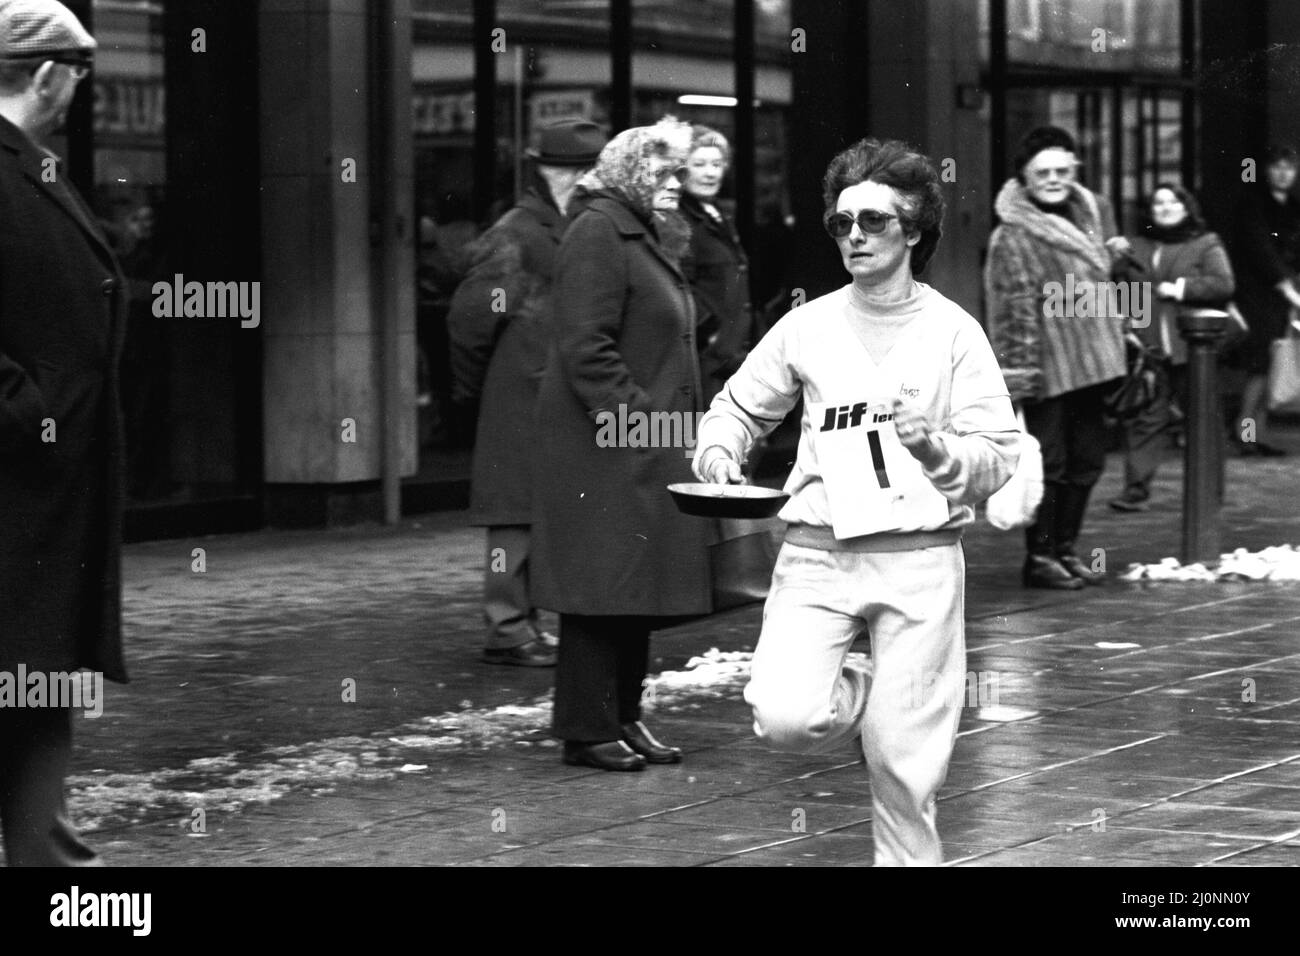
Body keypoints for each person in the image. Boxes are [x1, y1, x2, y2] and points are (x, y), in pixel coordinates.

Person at [693, 138, 1020, 865]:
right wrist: (720, 448)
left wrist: (936, 450)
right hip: (816, 557)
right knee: (784, 718)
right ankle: (871, 689)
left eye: (873, 221)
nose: (855, 237)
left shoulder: (954, 334)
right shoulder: (808, 324)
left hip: (919, 563)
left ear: (913, 231)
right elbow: (737, 407)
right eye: (842, 224)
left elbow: (998, 457)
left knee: (907, 768)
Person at [530, 117, 709, 772]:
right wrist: (640, 422)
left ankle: (624, 716)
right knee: (601, 589)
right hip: (606, 448)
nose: (674, 184)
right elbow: (586, 347)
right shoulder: (599, 230)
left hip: (639, 446)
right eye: (663, 172)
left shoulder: (638, 232)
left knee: (634, 587)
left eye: (679, 173)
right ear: (633, 172)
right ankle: (586, 728)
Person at [0, 0, 127, 866]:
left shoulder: (27, 165)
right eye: (76, 75)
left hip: (41, 496)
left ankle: (48, 857)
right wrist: (37, 412)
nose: (79, 92)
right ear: (48, 75)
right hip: (17, 486)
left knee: (37, 684)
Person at [446, 118, 607, 667]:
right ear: (549, 173)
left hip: (545, 394)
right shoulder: (520, 232)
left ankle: (521, 623)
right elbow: (473, 319)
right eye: (575, 170)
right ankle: (507, 629)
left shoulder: (569, 226)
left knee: (537, 513)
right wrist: (476, 391)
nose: (585, 180)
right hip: (519, 395)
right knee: (513, 517)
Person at [984, 126, 1126, 590]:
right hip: (1047, 366)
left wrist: (1121, 333)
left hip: (1094, 363)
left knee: (1088, 462)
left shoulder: (1088, 213)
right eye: (1043, 171)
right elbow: (1012, 310)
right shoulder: (1013, 234)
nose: (1054, 178)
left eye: (1063, 170)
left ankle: (1066, 548)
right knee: (1052, 465)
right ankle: (1040, 556)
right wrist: (1019, 376)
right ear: (1025, 177)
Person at [1107, 184, 1235, 510]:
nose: (1165, 207)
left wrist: (1179, 289)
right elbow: (1116, 287)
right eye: (1158, 203)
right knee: (1146, 419)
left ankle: (1210, 491)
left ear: (1186, 207)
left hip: (1193, 350)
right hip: (1149, 350)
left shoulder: (1206, 244)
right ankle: (1135, 490)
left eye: (1173, 201)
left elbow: (1223, 284)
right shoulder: (1135, 246)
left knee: (1203, 420)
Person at [1228, 145, 1300, 456]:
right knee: (1259, 366)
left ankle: (1256, 433)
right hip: (1258, 295)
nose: (1284, 173)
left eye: (1289, 168)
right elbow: (1261, 251)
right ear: (1267, 170)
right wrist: (1288, 287)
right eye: (1277, 167)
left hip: (1285, 294)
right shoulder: (1253, 204)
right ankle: (1245, 432)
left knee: (1272, 366)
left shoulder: (1295, 207)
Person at [679, 125, 755, 404]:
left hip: (732, 355)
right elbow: (679, 284)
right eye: (699, 164)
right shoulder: (678, 220)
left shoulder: (719, 214)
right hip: (706, 360)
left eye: (717, 164)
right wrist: (711, 334)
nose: (710, 172)